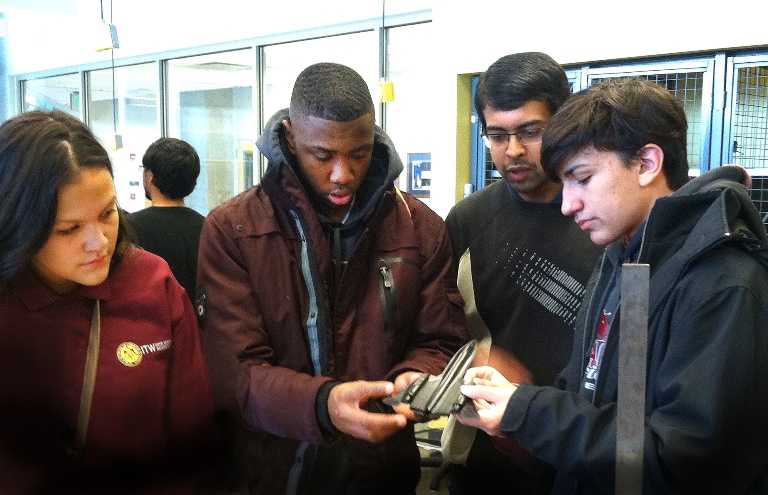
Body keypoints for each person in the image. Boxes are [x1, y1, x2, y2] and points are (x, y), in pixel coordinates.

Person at [455, 78, 768, 493]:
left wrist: (528, 413)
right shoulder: (624, 260)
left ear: (647, 164)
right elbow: (601, 406)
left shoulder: (723, 281)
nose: (568, 204)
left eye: (582, 179)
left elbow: (682, 460)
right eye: (564, 183)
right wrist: (511, 408)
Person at [195, 62, 469, 495]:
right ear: (290, 137)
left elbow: (439, 339)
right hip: (270, 471)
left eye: (358, 153)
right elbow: (235, 372)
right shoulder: (234, 229)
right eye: (322, 155)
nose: (342, 173)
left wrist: (415, 378)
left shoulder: (420, 228)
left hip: (381, 471)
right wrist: (322, 405)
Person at [0, 110, 218, 494]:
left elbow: (191, 440)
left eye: (107, 214)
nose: (99, 241)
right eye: (69, 229)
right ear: (18, 224)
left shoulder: (152, 284)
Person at [444, 52, 603, 494]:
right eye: (497, 135)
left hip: (583, 450)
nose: (512, 150)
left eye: (530, 132)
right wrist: (470, 357)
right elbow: (437, 326)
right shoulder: (468, 220)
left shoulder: (602, 215)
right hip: (489, 455)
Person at [129, 137, 205, 303]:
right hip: (199, 325)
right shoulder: (209, 228)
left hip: (151, 323)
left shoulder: (129, 228)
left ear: (150, 176)